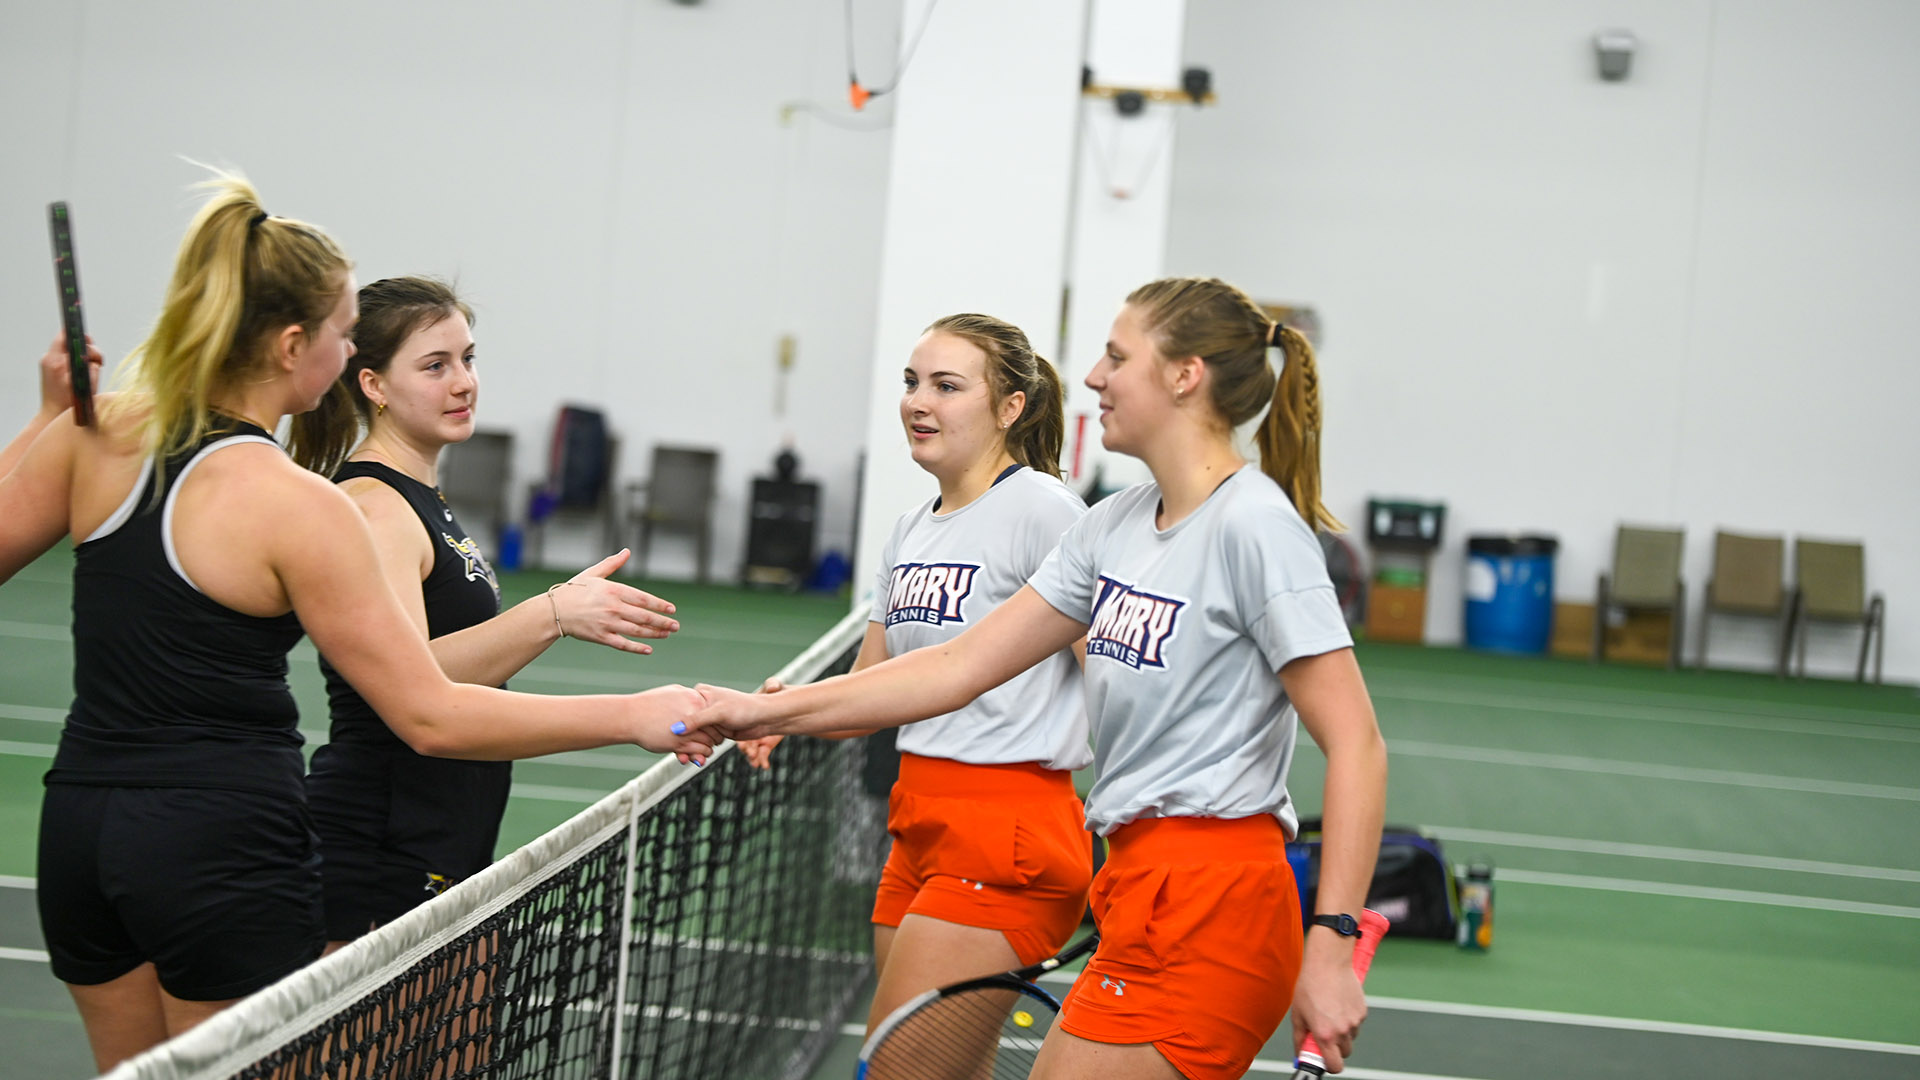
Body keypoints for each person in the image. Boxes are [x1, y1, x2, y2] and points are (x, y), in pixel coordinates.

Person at [0, 174, 713, 1072]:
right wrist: (635, 713)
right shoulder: (305, 505)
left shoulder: (95, 436)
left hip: (79, 826)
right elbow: (428, 713)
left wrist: (46, 422)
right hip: (217, 841)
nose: (347, 356)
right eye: (343, 334)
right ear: (293, 346)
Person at [690, 277, 1388, 1080]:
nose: (1092, 376)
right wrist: (767, 712)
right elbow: (956, 666)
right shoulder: (1113, 526)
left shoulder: (1255, 526)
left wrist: (1332, 944)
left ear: (1184, 376)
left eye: (1117, 357)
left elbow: (1357, 744)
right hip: (1131, 885)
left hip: (1214, 903)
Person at [288, 276, 682, 945]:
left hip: (445, 828)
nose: (464, 382)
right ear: (374, 384)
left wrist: (557, 613)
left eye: (468, 359)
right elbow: (416, 681)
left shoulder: (420, 496)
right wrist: (554, 614)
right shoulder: (377, 507)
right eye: (435, 366)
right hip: (383, 837)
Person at [740, 313, 1091, 1040]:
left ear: (1011, 407)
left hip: (1006, 835)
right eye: (912, 382)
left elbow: (1113, 681)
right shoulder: (909, 530)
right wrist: (784, 710)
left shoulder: (1045, 511)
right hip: (916, 825)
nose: (918, 402)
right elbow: (870, 691)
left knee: (899, 1062)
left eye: (947, 386)